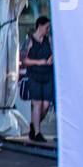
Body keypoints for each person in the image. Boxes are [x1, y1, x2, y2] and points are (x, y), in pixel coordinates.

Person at [22, 15, 54, 143]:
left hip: (47, 75)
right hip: (34, 75)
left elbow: (54, 53)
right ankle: (37, 132)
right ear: (40, 26)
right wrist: (39, 62)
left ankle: (34, 125)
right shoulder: (29, 41)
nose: (48, 29)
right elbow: (24, 60)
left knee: (46, 105)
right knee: (37, 104)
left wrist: (51, 58)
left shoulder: (49, 40)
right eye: (47, 27)